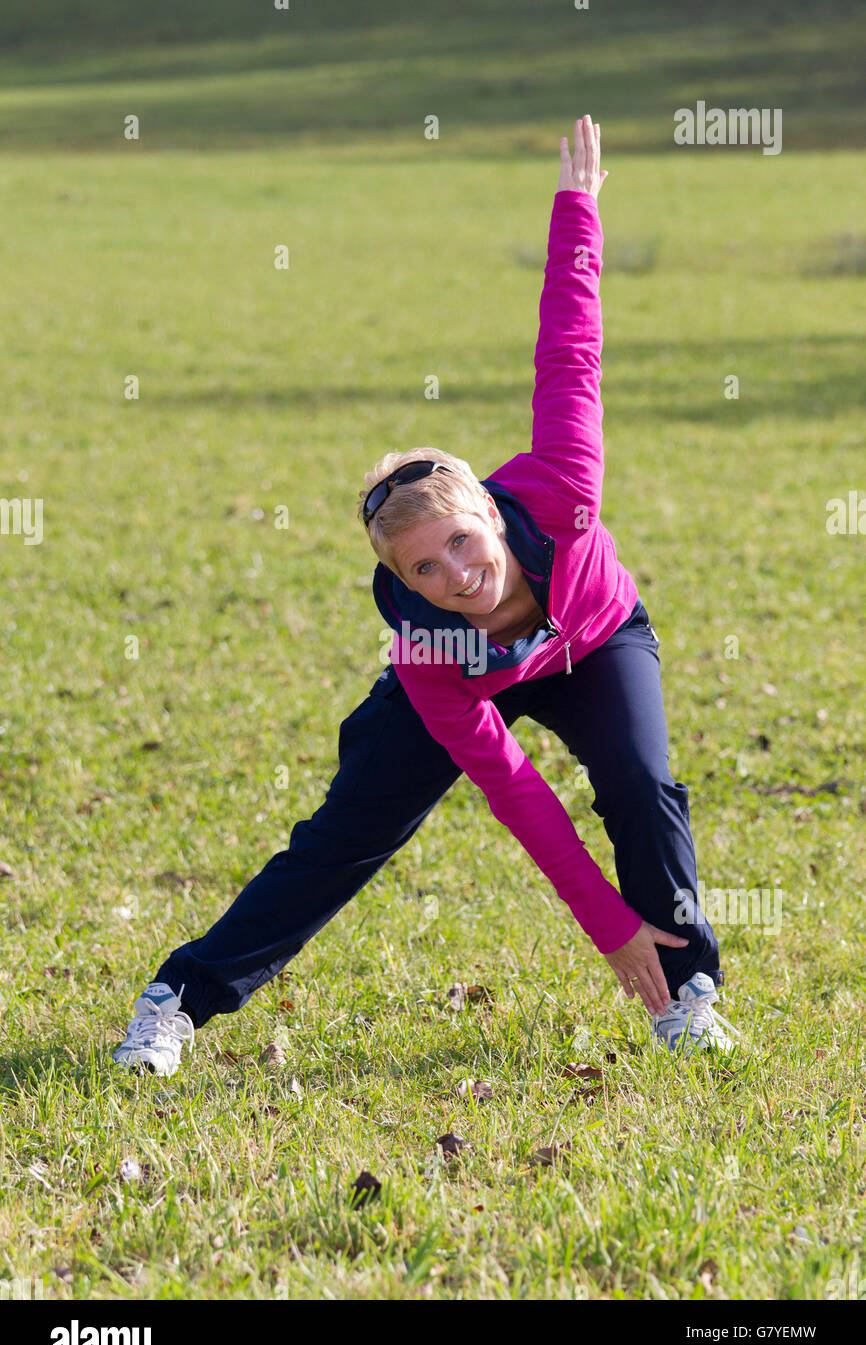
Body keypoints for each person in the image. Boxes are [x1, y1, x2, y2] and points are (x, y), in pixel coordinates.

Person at [114, 115, 737, 1078]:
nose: (456, 577)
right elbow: (522, 797)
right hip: (476, 681)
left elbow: (570, 348)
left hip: (591, 640)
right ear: (401, 585)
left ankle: (688, 993)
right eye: (423, 572)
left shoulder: (562, 488)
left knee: (642, 787)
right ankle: (177, 1002)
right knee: (347, 835)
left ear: (490, 511)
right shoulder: (430, 650)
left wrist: (581, 210)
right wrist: (608, 928)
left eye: (459, 543)